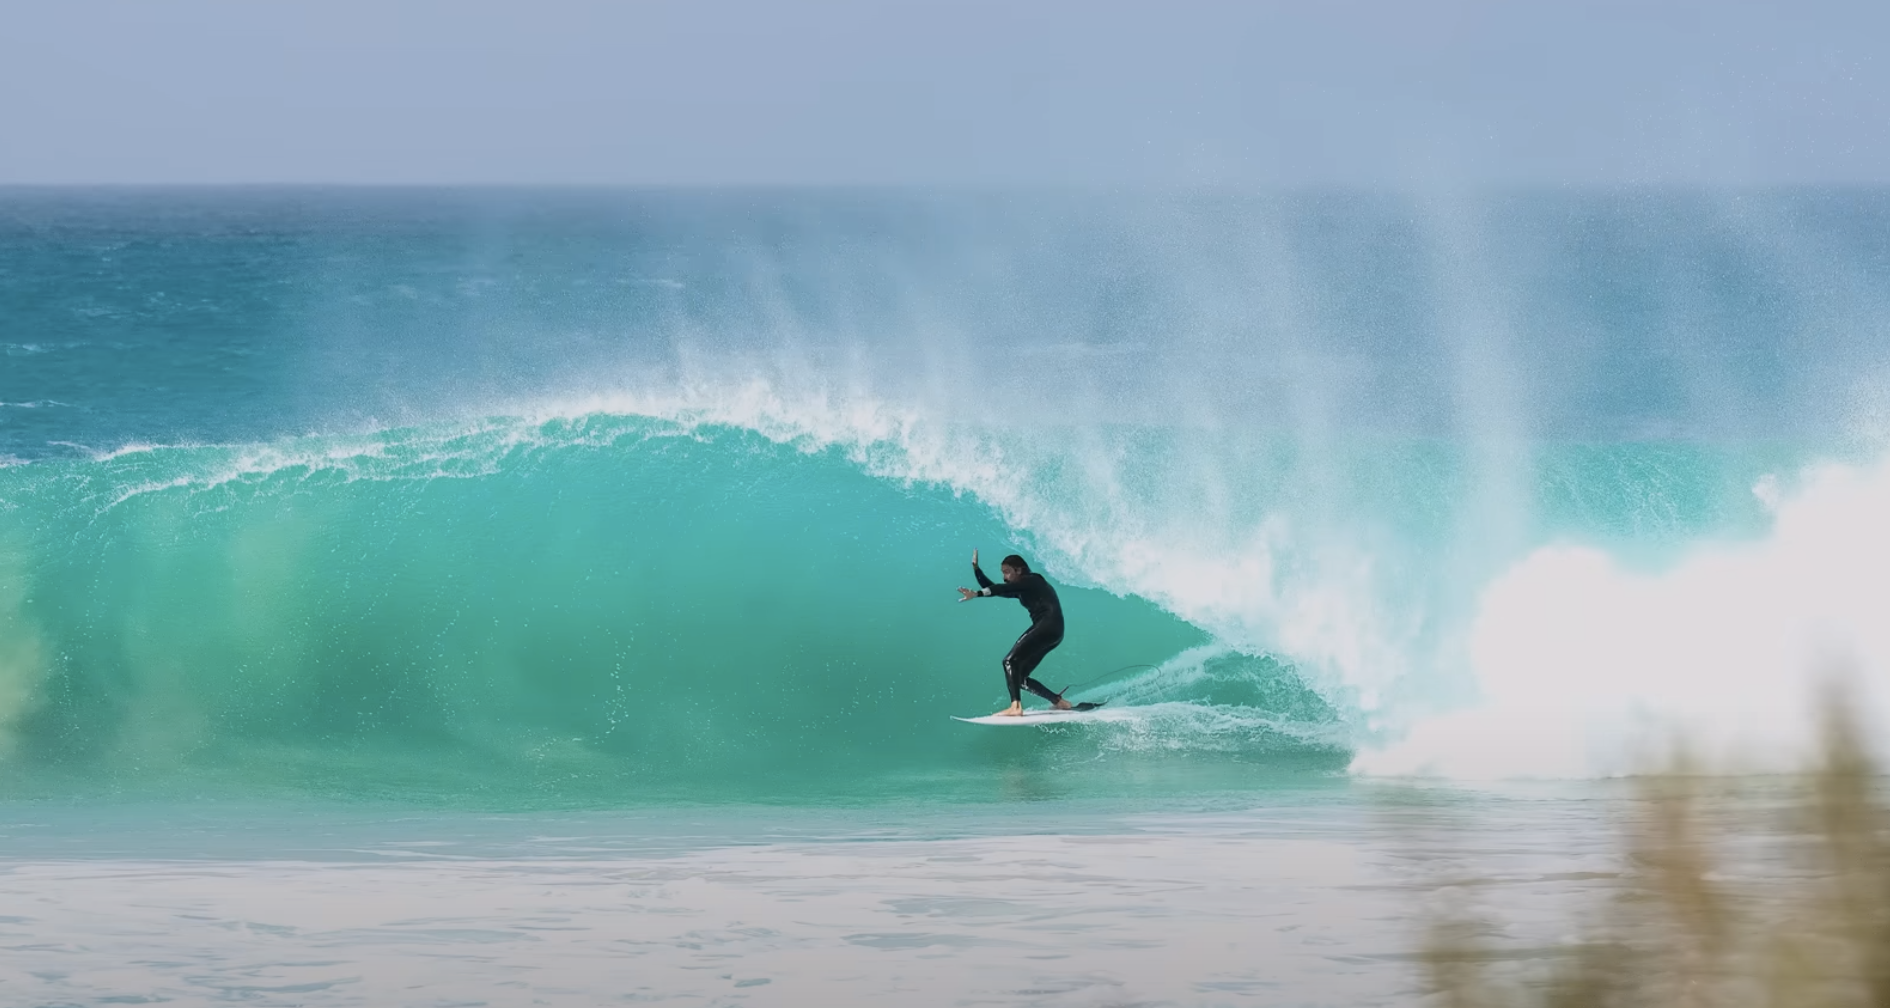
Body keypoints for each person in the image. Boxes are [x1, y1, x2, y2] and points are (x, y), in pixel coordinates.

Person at [957, 549, 1075, 717]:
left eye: (1007, 572)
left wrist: (976, 594)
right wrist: (977, 569)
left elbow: (1000, 588)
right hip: (1053, 631)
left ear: (1018, 570)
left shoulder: (1033, 580)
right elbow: (997, 589)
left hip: (1048, 626)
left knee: (1009, 661)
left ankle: (1016, 707)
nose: (1004, 577)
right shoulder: (1022, 589)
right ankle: (1059, 702)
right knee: (1019, 678)